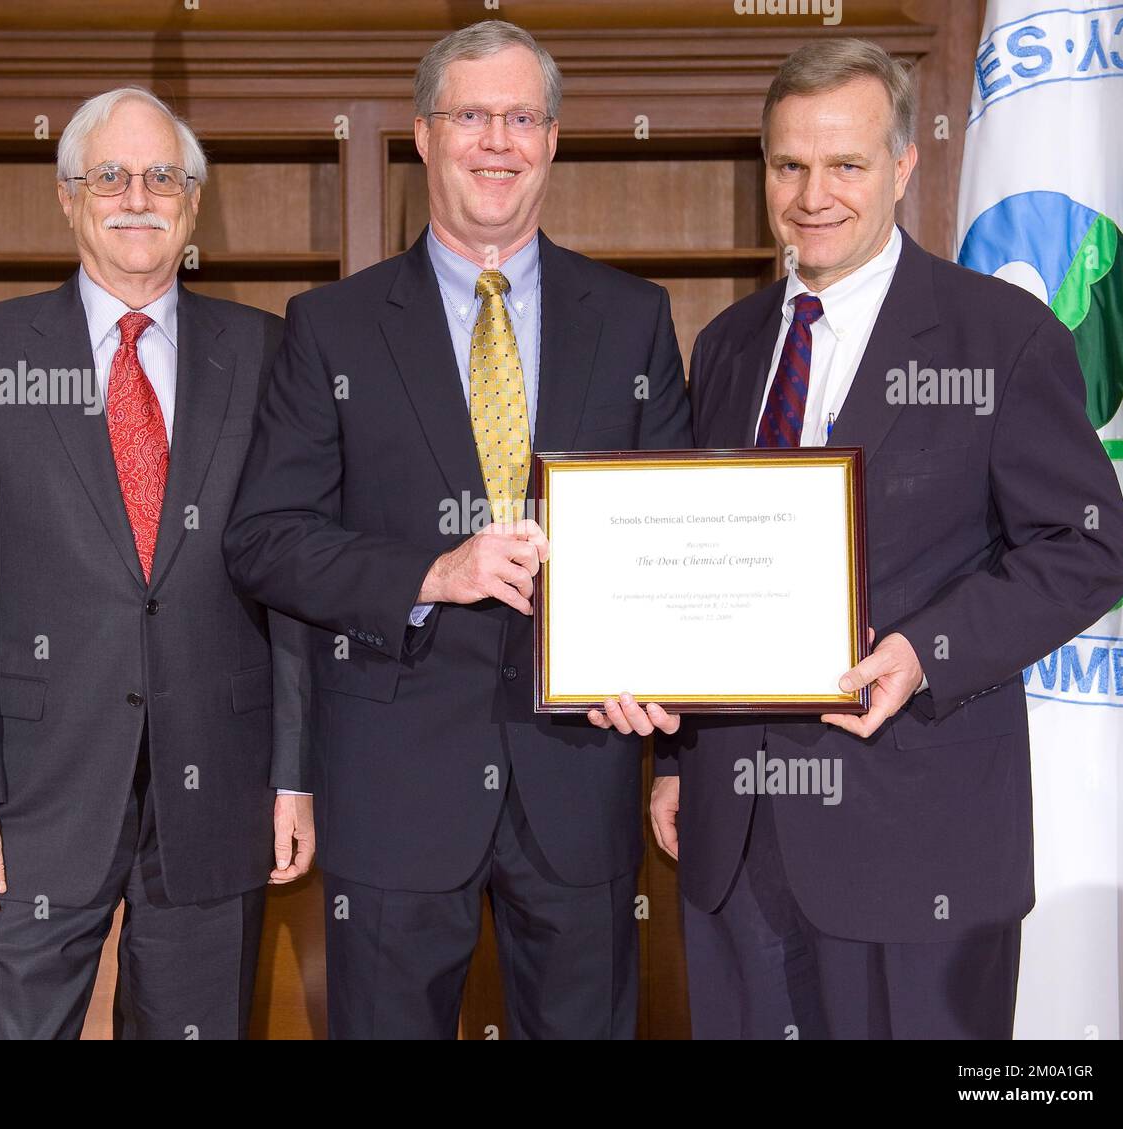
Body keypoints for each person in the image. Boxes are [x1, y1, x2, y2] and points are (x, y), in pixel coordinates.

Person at [590, 39, 1123, 1039]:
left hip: (914, 843)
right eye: (789, 165)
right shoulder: (729, 343)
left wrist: (925, 653)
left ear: (902, 166)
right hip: (734, 838)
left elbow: (1086, 546)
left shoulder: (1001, 336)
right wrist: (674, 758)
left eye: (845, 164)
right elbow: (697, 560)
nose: (813, 195)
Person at [224, 19, 690, 1039]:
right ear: (425, 137)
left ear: (553, 138)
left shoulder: (635, 318)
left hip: (583, 776)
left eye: (520, 116)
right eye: (470, 115)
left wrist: (675, 743)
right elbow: (265, 537)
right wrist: (433, 570)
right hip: (393, 788)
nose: (496, 140)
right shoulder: (330, 327)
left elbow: (673, 538)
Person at [0, 86, 314, 1039]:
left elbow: (296, 576)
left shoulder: (267, 352)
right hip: (25, 802)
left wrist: (295, 772)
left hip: (219, 794)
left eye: (163, 176)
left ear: (193, 200)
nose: (139, 195)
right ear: (69, 196)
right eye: (111, 176)